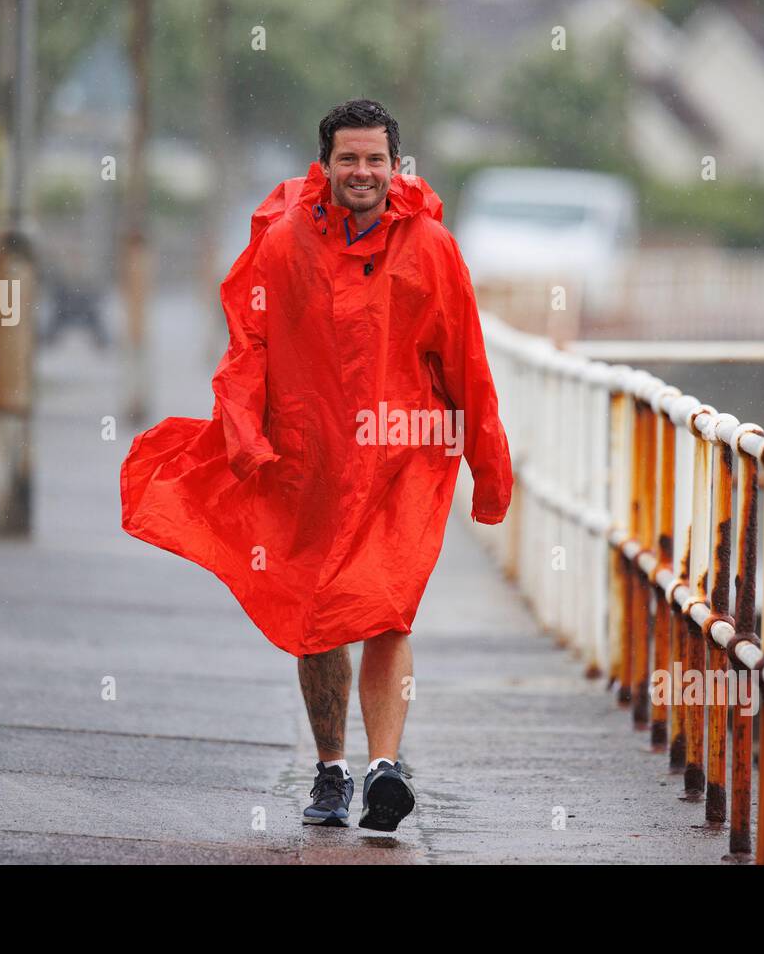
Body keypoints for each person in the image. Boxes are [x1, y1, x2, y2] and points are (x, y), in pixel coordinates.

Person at [119, 99, 513, 832]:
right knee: (318, 620)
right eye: (348, 159)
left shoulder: (431, 248)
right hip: (309, 463)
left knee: (388, 607)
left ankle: (384, 769)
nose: (361, 172)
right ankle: (332, 769)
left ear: (396, 165)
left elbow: (468, 366)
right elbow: (250, 348)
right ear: (326, 163)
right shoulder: (282, 245)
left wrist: (491, 471)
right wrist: (243, 435)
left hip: (404, 462)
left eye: (374, 159)